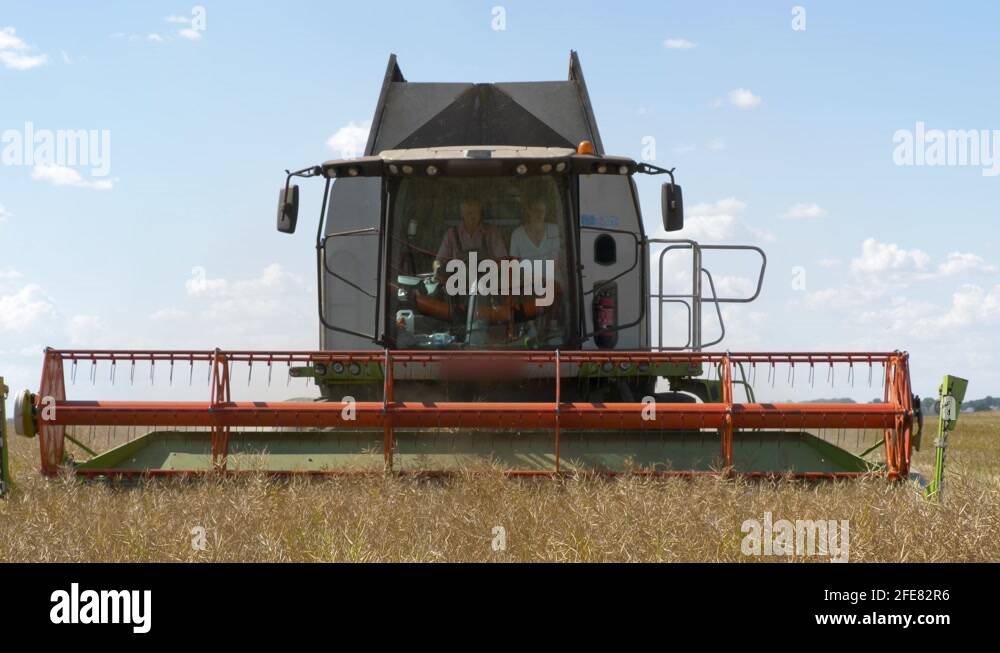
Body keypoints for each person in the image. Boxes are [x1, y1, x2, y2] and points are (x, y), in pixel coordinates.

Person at [433, 199, 507, 277]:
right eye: (469, 213)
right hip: (457, 285)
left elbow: (503, 260)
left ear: (480, 213)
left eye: (476, 212)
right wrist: (437, 272)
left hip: (487, 284)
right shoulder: (451, 235)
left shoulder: (492, 233)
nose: (472, 216)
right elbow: (439, 261)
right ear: (462, 214)